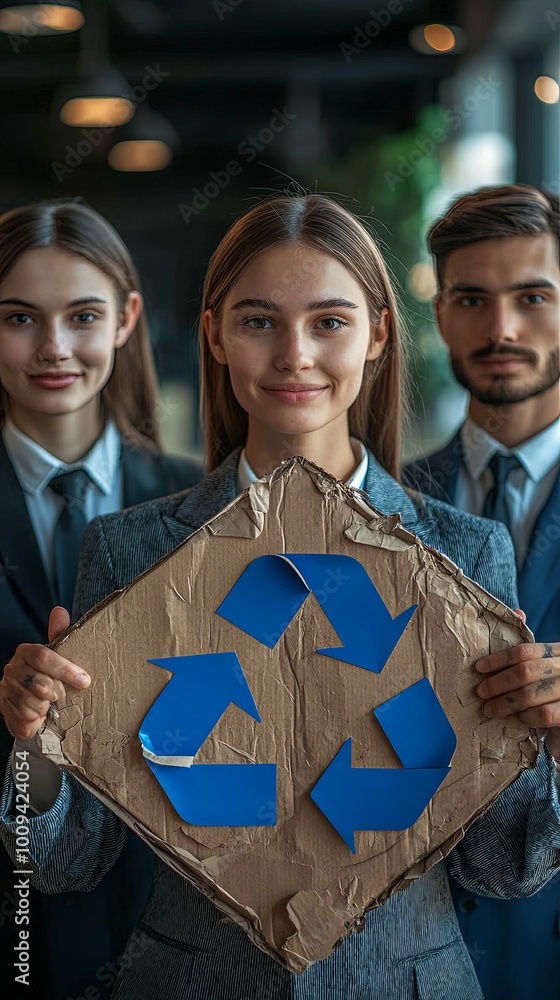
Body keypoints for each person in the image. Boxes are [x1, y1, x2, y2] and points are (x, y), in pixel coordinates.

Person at [1, 193, 560, 1000]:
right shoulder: (131, 550)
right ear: (215, 335)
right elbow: (63, 859)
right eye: (259, 321)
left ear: (377, 335)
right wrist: (35, 748)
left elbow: (504, 866)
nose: (294, 354)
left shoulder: (467, 552)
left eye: (329, 322)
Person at [0, 198, 204, 999]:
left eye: (81, 316)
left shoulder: (204, 505)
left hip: (164, 915)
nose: (54, 348)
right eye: (19, 318)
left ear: (126, 320)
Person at [404, 184, 560, 1000]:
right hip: (416, 944)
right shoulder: (376, 504)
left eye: (533, 297)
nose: (501, 330)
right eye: (472, 299)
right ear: (441, 315)